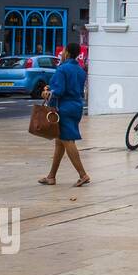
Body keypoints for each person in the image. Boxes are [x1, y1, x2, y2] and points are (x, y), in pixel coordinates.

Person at [39, 42, 90, 187]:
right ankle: (51, 176)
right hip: (76, 106)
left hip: (64, 108)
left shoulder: (62, 69)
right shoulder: (80, 70)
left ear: (67, 52)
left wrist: (47, 93)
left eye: (63, 52)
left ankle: (83, 174)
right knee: (59, 143)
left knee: (68, 140)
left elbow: (59, 91)